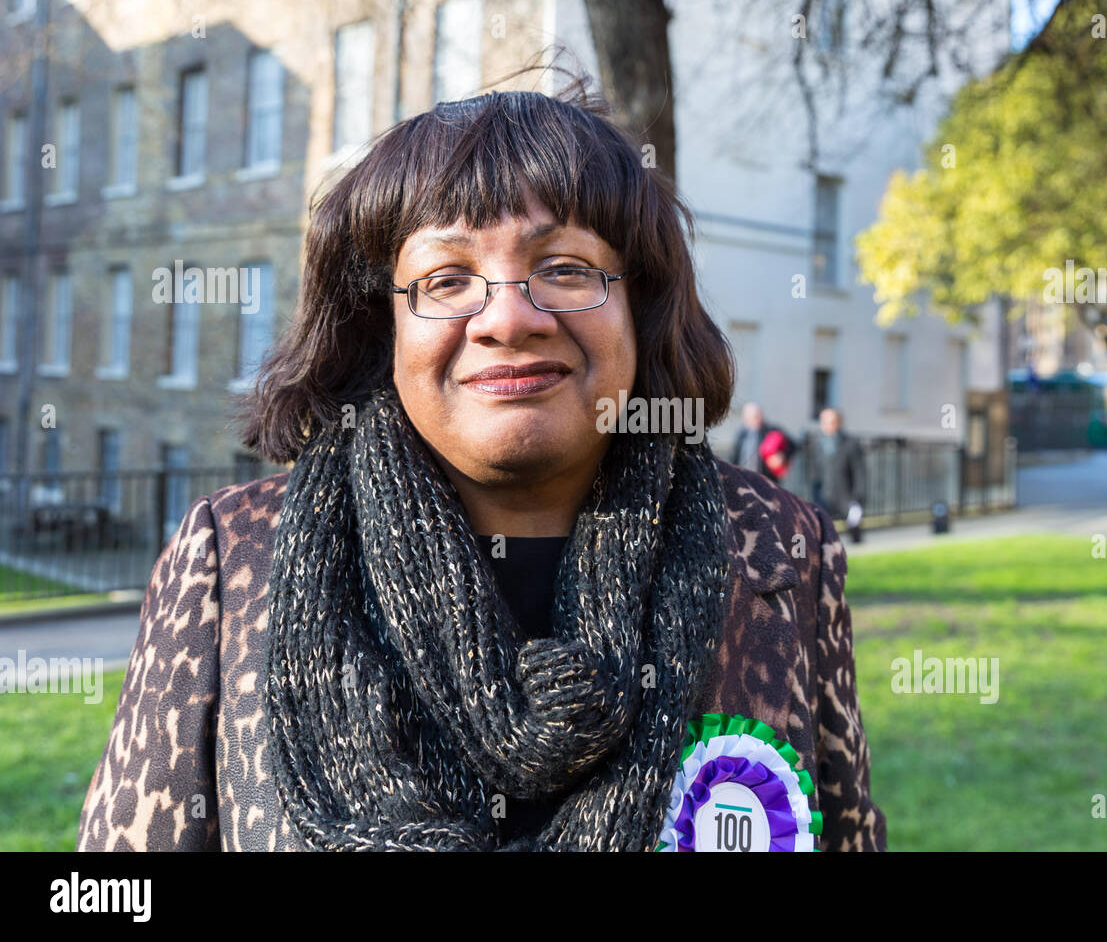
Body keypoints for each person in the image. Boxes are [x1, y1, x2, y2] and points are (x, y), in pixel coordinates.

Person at [76, 84, 884, 853]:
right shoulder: (235, 559)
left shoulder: (779, 553)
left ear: (641, 306)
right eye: (446, 279)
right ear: (379, 325)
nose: (507, 317)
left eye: (565, 268)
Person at [802, 407, 868, 544]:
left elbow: (859, 472)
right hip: (823, 494)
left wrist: (859, 497)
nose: (827, 426)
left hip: (845, 494)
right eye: (824, 422)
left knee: (854, 530)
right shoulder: (817, 444)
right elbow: (814, 471)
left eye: (831, 422)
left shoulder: (850, 444)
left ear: (839, 423)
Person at [729, 402, 794, 484]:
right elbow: (735, 455)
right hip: (744, 479)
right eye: (751, 417)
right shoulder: (742, 434)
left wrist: (782, 457)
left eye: (756, 416)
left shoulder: (772, 430)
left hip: (767, 480)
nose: (755, 419)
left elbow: (791, 445)